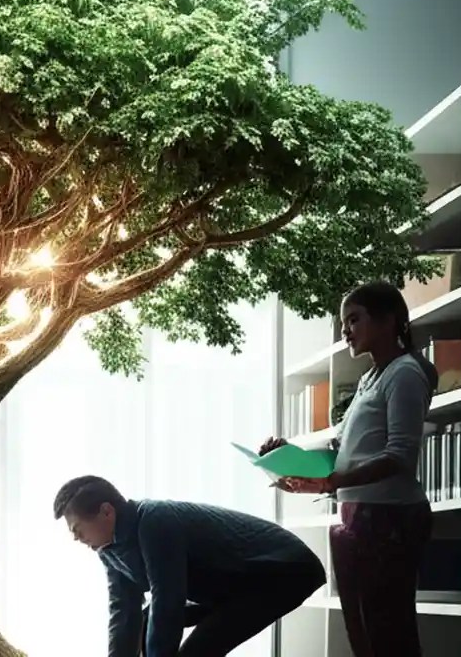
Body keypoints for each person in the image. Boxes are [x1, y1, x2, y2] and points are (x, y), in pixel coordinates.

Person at [262, 281, 437, 657]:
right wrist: (292, 459)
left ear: (389, 320)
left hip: (390, 519)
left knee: (388, 632)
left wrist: (333, 481)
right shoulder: (369, 378)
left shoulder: (405, 373)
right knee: (362, 634)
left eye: (354, 320)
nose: (346, 332)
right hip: (356, 515)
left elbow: (400, 455)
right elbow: (344, 450)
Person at [53, 475, 325, 657]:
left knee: (195, 650)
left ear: (106, 511)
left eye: (77, 529)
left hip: (282, 571)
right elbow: (124, 611)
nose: (76, 538)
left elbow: (168, 598)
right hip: (232, 587)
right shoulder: (109, 549)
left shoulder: (153, 520)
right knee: (145, 621)